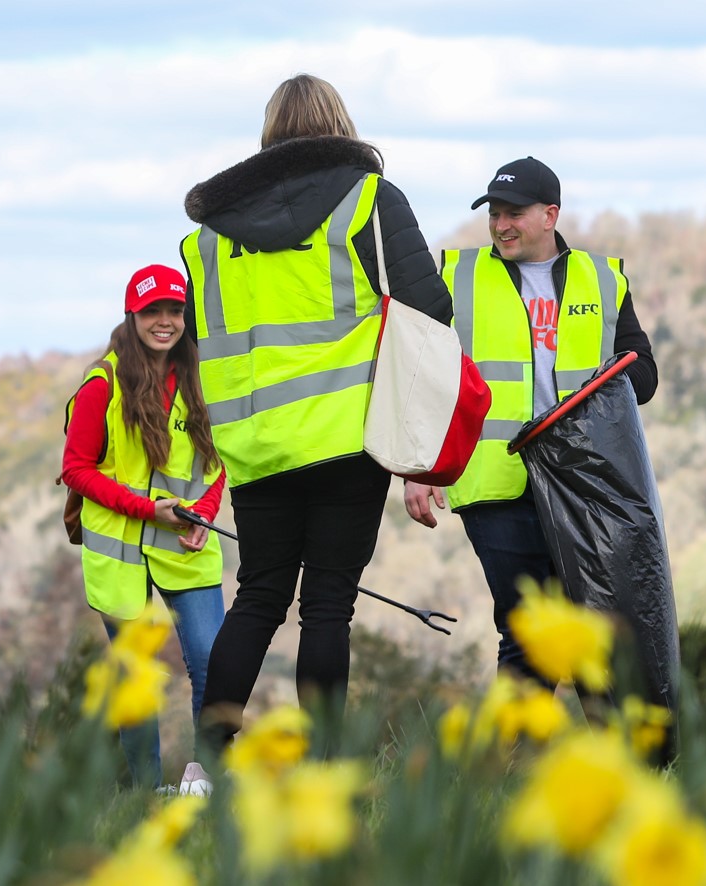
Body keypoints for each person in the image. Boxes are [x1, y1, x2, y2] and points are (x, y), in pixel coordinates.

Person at [179, 73, 453, 750]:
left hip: (254, 445)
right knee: (328, 606)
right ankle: (326, 772)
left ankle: (204, 768)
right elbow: (430, 310)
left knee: (257, 598)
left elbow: (195, 339)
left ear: (269, 132)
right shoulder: (367, 202)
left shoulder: (207, 239)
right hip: (344, 438)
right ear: (340, 123)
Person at [403, 156, 664, 690]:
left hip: (584, 487)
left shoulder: (603, 279)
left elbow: (643, 375)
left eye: (513, 214)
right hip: (496, 484)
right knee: (528, 634)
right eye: (494, 214)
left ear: (550, 215)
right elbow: (419, 371)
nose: (501, 225)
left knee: (592, 634)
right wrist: (417, 466)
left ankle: (595, 746)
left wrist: (595, 393)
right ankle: (519, 746)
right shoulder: (456, 276)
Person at [61, 263, 227, 790]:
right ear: (131, 315)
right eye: (152, 311)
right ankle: (147, 793)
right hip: (120, 553)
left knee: (214, 662)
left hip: (185, 544)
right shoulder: (102, 384)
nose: (165, 321)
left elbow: (221, 461)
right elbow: (76, 469)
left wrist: (206, 513)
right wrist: (144, 509)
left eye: (175, 310)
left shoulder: (204, 378)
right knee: (135, 678)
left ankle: (205, 781)